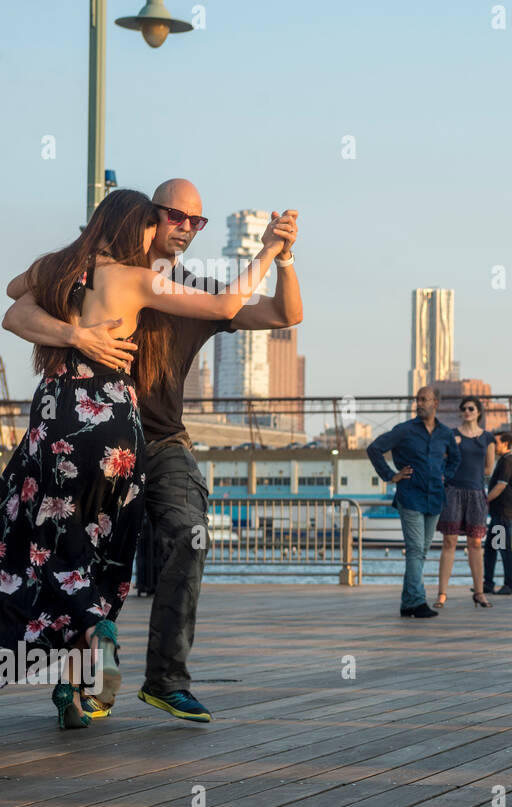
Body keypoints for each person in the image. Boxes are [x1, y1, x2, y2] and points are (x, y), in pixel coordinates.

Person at [4, 178, 301, 724]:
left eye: (197, 221)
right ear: (146, 219)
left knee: (162, 538)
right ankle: (82, 680)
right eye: (175, 217)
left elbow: (285, 316)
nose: (186, 228)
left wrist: (282, 259)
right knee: (92, 553)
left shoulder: (173, 284)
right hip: (112, 436)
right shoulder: (112, 275)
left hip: (150, 440)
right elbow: (18, 309)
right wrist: (77, 337)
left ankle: (161, 679)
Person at [367, 385, 460, 617]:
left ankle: (408, 603)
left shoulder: (446, 434)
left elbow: (455, 460)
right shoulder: (404, 430)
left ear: (435, 403)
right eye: (417, 399)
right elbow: (374, 448)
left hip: (435, 498)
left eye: (424, 399)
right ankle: (418, 602)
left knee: (422, 550)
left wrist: (444, 476)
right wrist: (391, 476)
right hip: (410, 496)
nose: (419, 403)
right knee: (416, 549)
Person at [435, 396, 496, 609]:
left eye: (471, 408)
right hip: (453, 491)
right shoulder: (452, 435)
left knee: (475, 544)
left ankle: (479, 592)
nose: (467, 411)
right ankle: (442, 593)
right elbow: (442, 461)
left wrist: (475, 475)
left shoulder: (488, 438)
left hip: (476, 492)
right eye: (463, 409)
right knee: (449, 542)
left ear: (478, 411)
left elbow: (489, 468)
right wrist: (454, 450)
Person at [483, 431, 512, 596]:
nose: (493, 446)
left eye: (496, 443)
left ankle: (509, 584)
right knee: (491, 548)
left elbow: (501, 485)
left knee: (503, 548)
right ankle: (488, 583)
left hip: (502, 514)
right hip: (501, 513)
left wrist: (484, 500)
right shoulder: (507, 461)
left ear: (505, 443)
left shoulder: (507, 461)